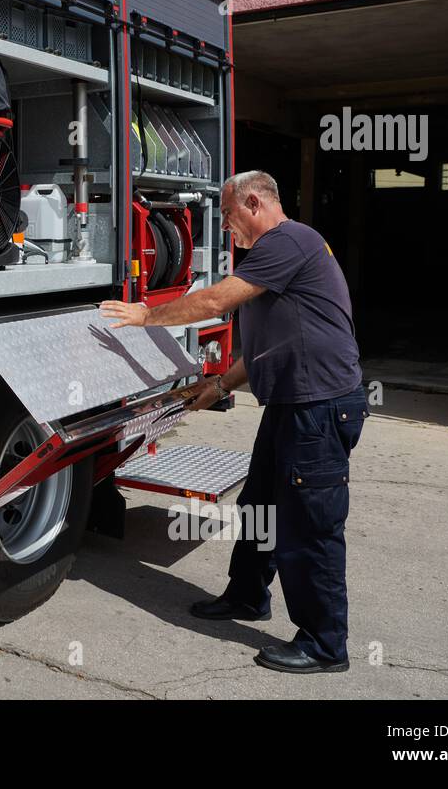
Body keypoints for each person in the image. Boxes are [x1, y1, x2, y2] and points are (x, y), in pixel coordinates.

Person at [101, 170, 367, 673]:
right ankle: (248, 596)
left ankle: (325, 644)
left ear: (252, 202)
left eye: (226, 215)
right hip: (293, 404)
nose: (225, 227)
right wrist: (219, 386)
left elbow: (213, 301)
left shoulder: (289, 240)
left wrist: (144, 316)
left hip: (320, 407)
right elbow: (270, 347)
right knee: (261, 505)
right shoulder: (277, 256)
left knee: (309, 525)